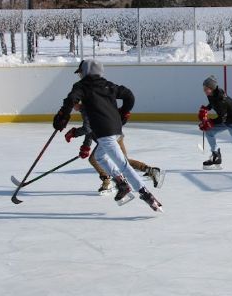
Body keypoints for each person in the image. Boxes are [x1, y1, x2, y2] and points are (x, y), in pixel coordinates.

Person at [53, 60, 162, 212]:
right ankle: (121, 183)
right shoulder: (108, 85)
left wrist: (62, 116)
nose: (79, 75)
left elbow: (72, 100)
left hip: (105, 134)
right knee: (99, 157)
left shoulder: (82, 87)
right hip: (117, 130)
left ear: (86, 72)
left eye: (80, 72)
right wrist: (124, 112)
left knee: (123, 164)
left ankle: (146, 194)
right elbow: (129, 95)